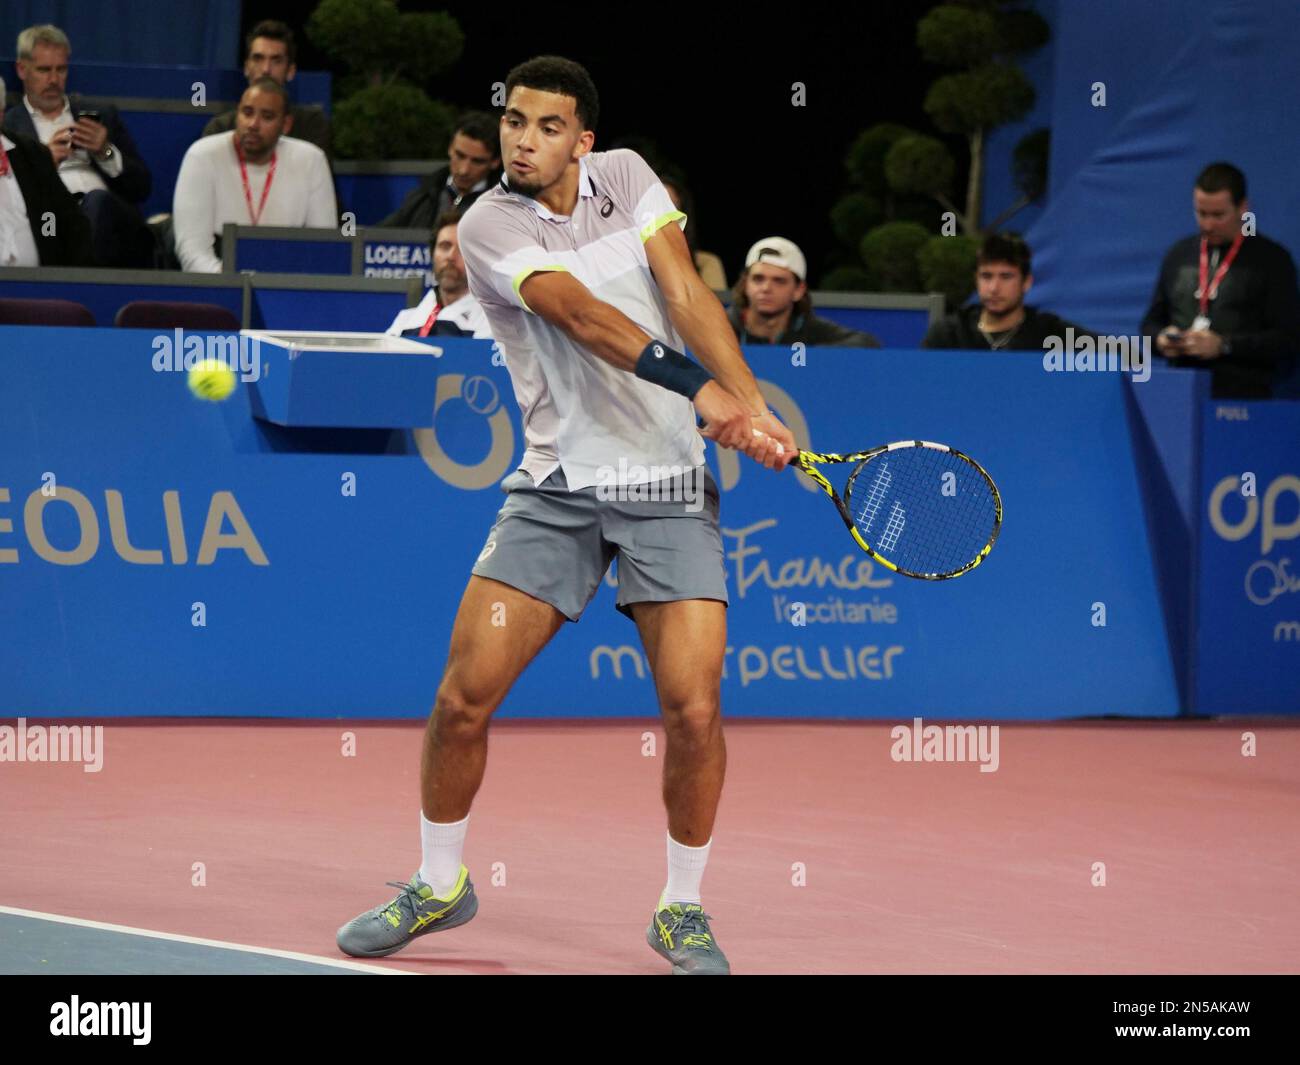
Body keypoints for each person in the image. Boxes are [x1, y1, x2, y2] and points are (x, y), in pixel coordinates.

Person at [336, 55, 795, 976]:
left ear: (583, 139)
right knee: (463, 698)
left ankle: (682, 907)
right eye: (514, 122)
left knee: (695, 709)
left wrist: (747, 402)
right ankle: (438, 883)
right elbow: (581, 316)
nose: (523, 139)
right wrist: (702, 387)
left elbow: (687, 293)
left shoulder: (627, 176)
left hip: (668, 486)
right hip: (557, 488)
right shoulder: (487, 223)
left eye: (548, 127)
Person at [1141, 162, 1300, 398]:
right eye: (1201, 213)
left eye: (1218, 215)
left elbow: (1287, 340)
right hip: (1182, 394)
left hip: (1245, 396)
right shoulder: (1179, 255)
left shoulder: (1272, 260)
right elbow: (1149, 326)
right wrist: (1163, 340)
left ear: (1243, 208)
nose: (1208, 224)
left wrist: (1224, 346)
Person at [4, 24, 153, 268]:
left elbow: (142, 188)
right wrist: (43, 164)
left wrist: (105, 151)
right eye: (44, 70)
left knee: (96, 202)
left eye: (61, 69)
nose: (53, 79)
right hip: (50, 223)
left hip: (113, 222)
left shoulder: (102, 116)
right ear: (21, 69)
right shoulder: (10, 128)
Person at [172, 78, 336, 273]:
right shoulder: (202, 155)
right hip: (219, 279)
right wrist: (236, 283)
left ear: (286, 124)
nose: (253, 124)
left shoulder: (311, 160)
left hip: (287, 280)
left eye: (267, 116)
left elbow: (323, 250)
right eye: (247, 113)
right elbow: (192, 252)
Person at [922, 232, 1092, 351]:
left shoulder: (1050, 334)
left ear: (1026, 282)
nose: (994, 288)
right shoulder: (949, 335)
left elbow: (1113, 351)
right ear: (976, 279)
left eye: (1006, 277)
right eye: (986, 276)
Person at [201, 20, 332, 162]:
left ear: (290, 71)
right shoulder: (220, 128)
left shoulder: (312, 125)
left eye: (276, 60)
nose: (266, 69)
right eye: (258, 59)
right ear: (246, 68)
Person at [0, 73, 92, 266]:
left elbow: (57, 217)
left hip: (39, 289)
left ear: (1, 112)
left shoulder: (32, 155)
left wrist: (49, 240)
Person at [729, 236, 880, 347]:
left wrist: (812, 356)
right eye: (758, 279)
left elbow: (868, 343)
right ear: (745, 284)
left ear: (798, 290)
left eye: (779, 281)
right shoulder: (723, 325)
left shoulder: (808, 328)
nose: (766, 288)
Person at [376, 112, 500, 229]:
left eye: (477, 161)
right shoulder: (423, 196)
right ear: (450, 148)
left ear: (495, 162)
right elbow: (376, 239)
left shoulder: (503, 207)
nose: (464, 170)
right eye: (460, 156)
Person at [385, 209, 492, 338]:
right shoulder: (405, 321)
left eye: (462, 249)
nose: (451, 256)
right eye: (445, 246)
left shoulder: (493, 322)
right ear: (432, 254)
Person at [659, 171, 726, 290]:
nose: (661, 217)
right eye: (654, 207)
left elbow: (714, 307)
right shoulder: (624, 263)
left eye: (669, 207)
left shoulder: (706, 263)